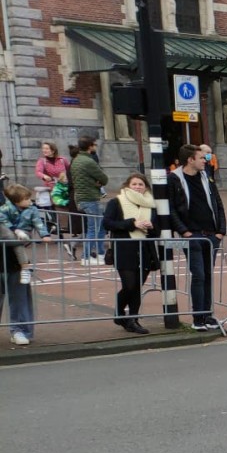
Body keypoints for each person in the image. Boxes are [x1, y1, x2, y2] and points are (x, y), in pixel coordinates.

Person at [169, 143, 227, 329]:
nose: (206, 160)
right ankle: (198, 318)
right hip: (192, 235)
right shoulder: (174, 179)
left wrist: (220, 231)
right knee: (199, 275)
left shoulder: (207, 177)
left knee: (208, 275)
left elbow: (218, 203)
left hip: (211, 235)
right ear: (190, 160)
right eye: (202, 158)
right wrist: (184, 231)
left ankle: (207, 315)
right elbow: (171, 209)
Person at [100, 173, 158, 334]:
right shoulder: (116, 202)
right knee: (129, 285)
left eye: (141, 184)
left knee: (137, 287)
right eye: (134, 184)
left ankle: (132, 319)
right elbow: (107, 223)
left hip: (145, 250)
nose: (138, 187)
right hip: (125, 249)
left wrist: (151, 226)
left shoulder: (151, 205)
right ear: (127, 185)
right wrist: (132, 224)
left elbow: (158, 229)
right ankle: (121, 314)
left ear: (146, 187)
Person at [0, 183, 51, 345]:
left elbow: (31, 229)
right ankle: (19, 329)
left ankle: (19, 330)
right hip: (10, 252)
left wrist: (31, 235)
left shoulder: (24, 208)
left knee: (19, 297)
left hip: (13, 260)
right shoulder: (5, 209)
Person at [68, 136, 108, 265]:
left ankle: (101, 254)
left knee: (99, 227)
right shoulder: (88, 161)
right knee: (93, 228)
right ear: (90, 146)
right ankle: (86, 257)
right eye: (94, 145)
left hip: (80, 197)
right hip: (90, 198)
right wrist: (97, 183)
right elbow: (104, 178)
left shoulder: (76, 160)